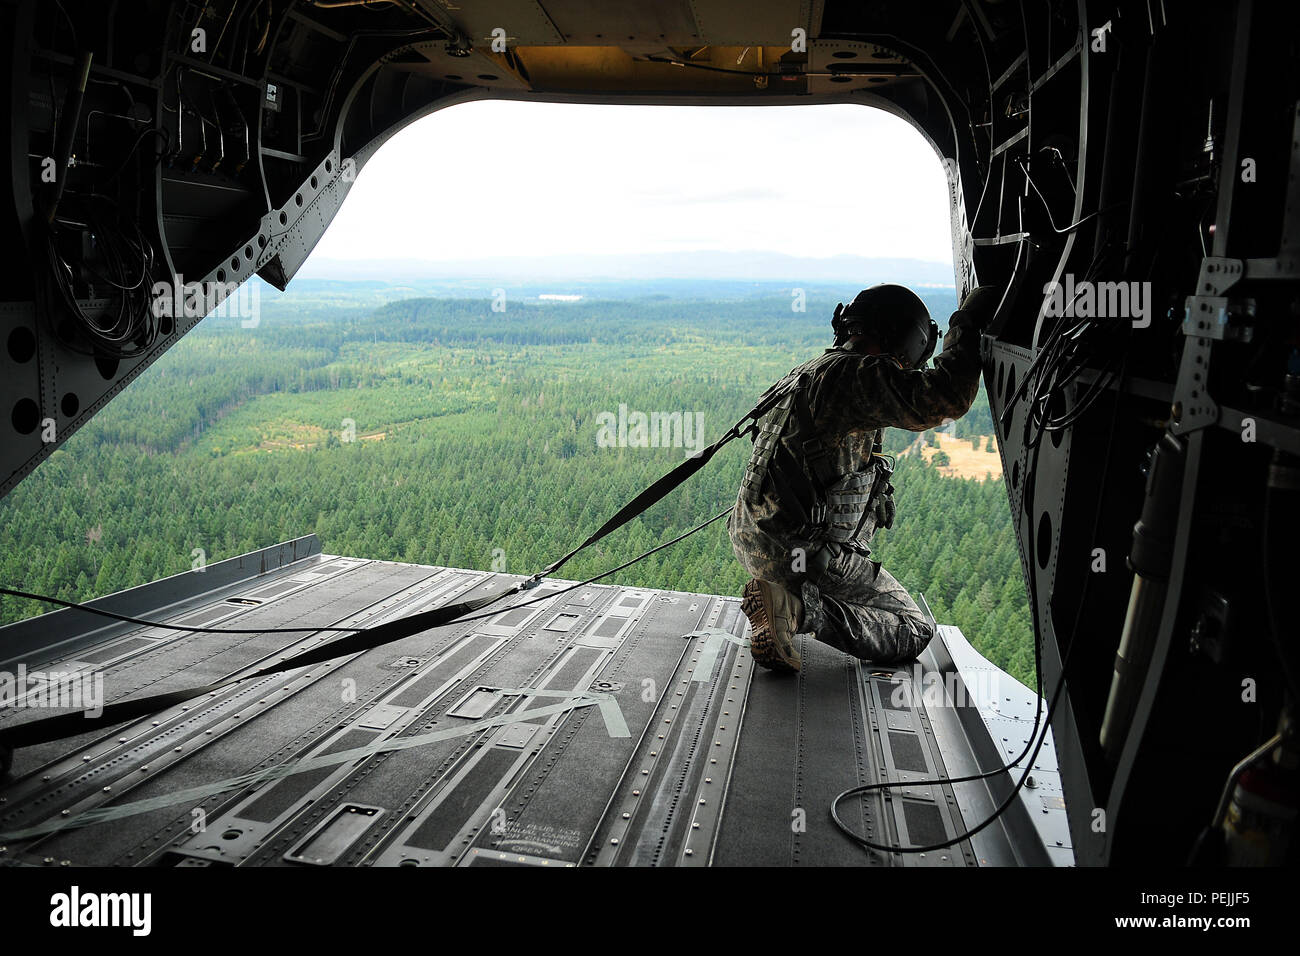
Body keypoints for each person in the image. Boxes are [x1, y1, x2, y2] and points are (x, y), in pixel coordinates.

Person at [728, 282, 1001, 672]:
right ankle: (795, 610)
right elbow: (945, 398)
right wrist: (967, 324)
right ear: (905, 342)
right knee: (914, 627)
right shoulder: (856, 376)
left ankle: (785, 596)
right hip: (798, 556)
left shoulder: (807, 372)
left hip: (755, 539)